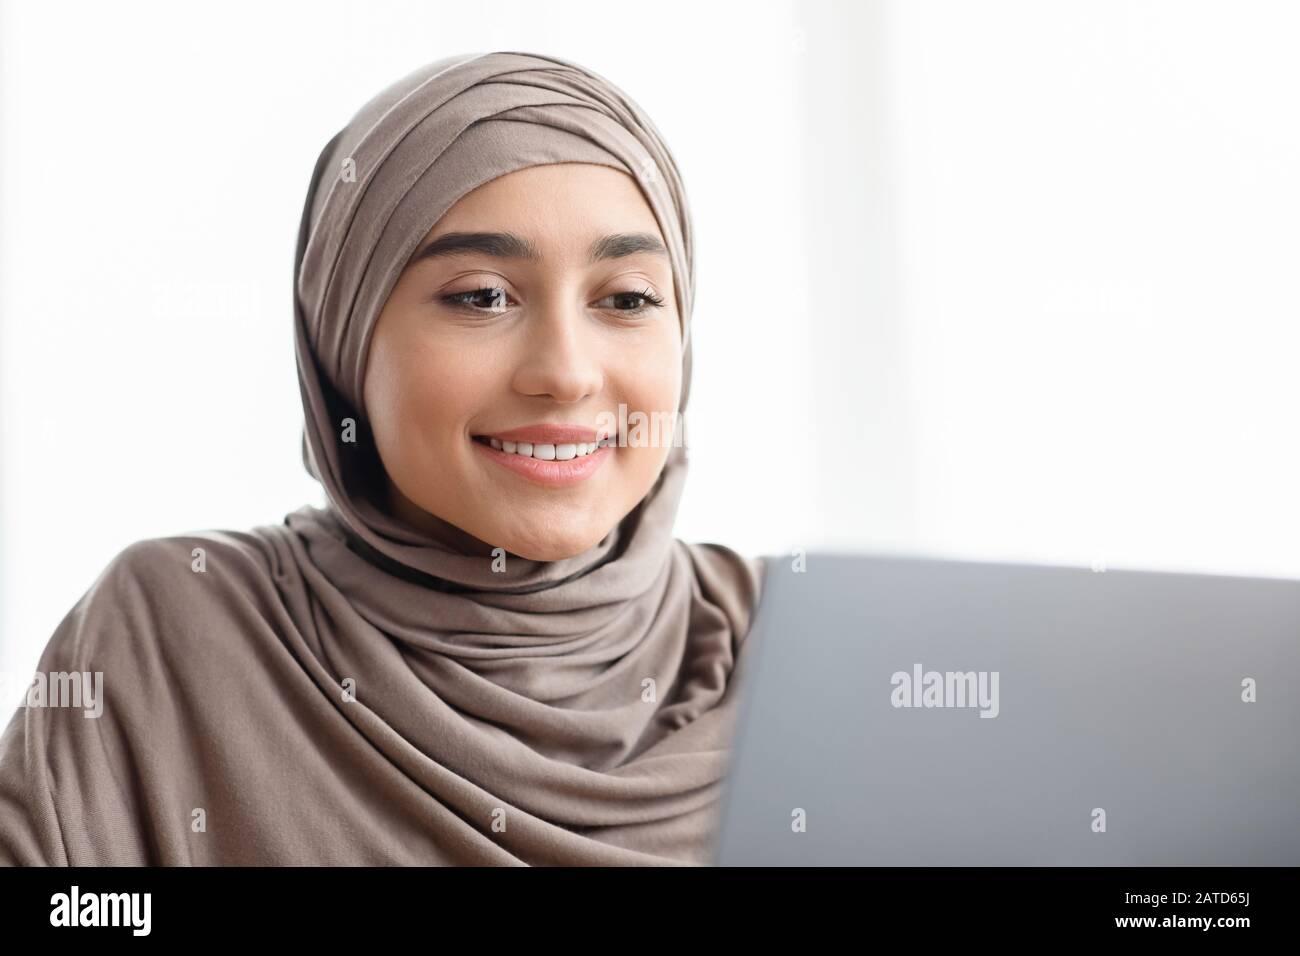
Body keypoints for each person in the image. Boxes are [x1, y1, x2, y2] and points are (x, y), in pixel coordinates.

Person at [0, 51, 763, 865]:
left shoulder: (803, 653)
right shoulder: (172, 636)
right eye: (481, 296)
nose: (566, 374)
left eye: (627, 299)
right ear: (343, 344)